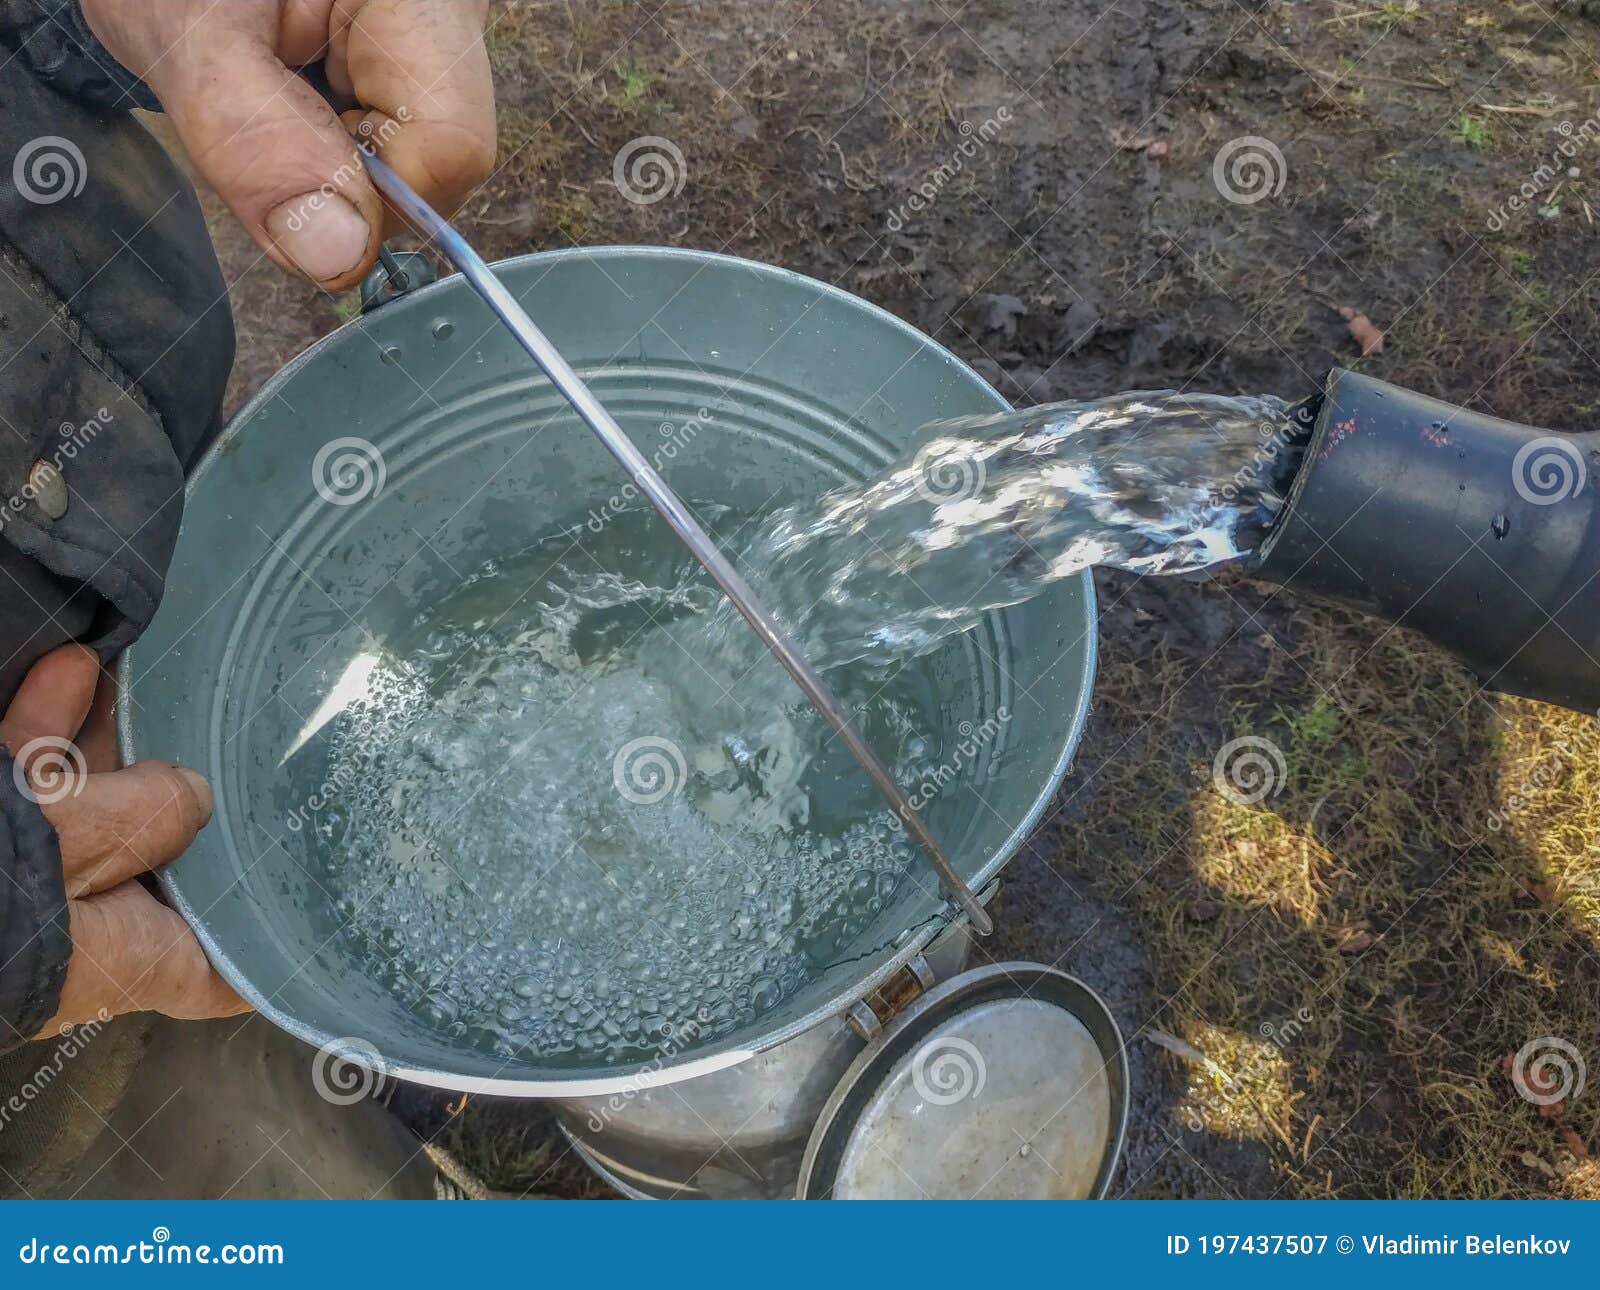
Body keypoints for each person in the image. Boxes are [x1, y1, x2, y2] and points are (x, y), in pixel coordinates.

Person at [0, 0, 496, 1197]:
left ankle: (350, 1060)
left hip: (111, 447)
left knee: (265, 852)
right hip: (32, 954)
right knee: (173, 1152)